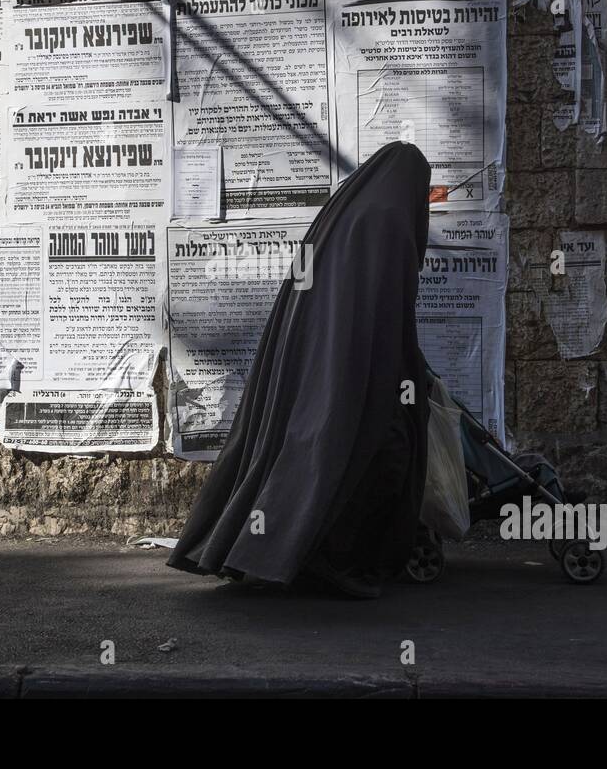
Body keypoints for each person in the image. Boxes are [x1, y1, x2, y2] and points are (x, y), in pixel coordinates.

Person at [167, 142, 433, 598]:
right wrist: (411, 373)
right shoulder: (389, 220)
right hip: (353, 363)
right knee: (375, 449)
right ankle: (321, 557)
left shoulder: (346, 210)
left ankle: (263, 549)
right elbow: (390, 314)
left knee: (308, 449)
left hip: (315, 356)